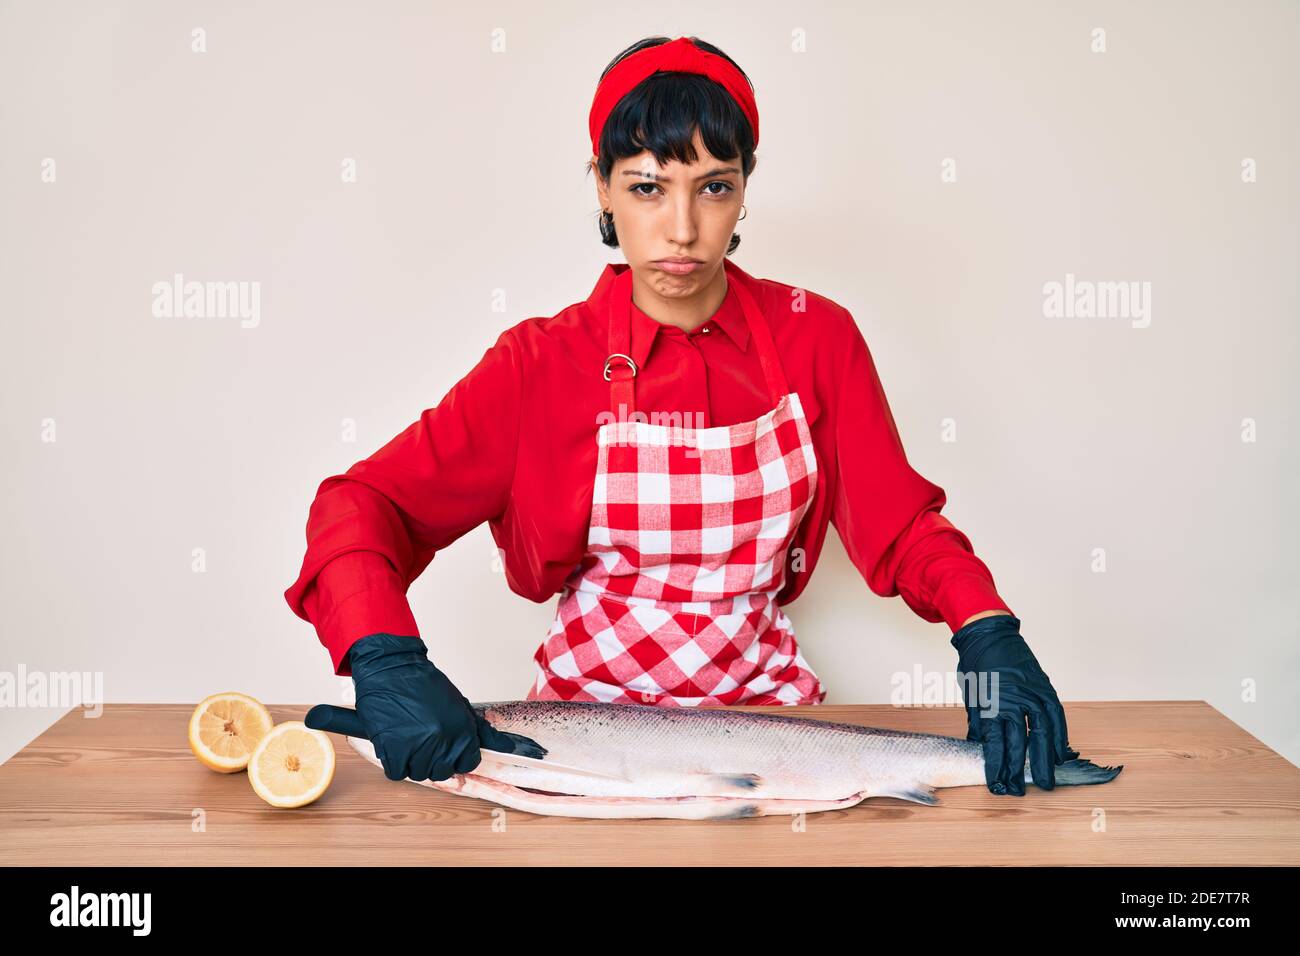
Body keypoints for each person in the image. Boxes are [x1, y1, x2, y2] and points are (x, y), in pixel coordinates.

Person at [288, 35, 1077, 796]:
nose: (682, 229)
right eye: (646, 186)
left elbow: (899, 526)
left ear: (744, 187)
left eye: (714, 186)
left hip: (772, 737)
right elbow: (363, 504)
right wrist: (385, 656)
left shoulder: (817, 336)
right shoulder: (539, 363)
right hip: (576, 743)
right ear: (600, 185)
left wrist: (987, 634)